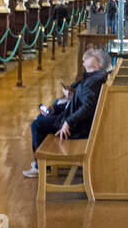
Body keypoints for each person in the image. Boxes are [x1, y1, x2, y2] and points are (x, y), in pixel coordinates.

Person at [23, 48, 109, 178]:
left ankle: (41, 166)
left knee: (37, 124)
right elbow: (79, 100)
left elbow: (88, 107)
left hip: (77, 127)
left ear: (99, 65)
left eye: (92, 55)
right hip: (74, 120)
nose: (87, 55)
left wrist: (68, 122)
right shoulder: (92, 78)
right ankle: (42, 163)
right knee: (44, 116)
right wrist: (59, 106)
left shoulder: (93, 81)